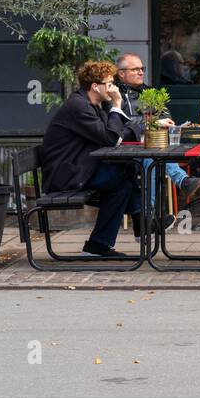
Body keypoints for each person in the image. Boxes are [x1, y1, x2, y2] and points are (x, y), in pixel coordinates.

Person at [40, 60, 144, 258]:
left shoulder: (92, 104)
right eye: (109, 83)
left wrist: (127, 124)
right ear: (95, 86)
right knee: (123, 173)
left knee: (124, 178)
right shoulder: (79, 106)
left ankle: (100, 244)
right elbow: (112, 138)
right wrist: (116, 104)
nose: (113, 88)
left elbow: (117, 133)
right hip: (66, 176)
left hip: (80, 167)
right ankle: (140, 219)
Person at [115, 53, 200, 204]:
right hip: (125, 148)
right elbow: (122, 123)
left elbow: (165, 114)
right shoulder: (114, 95)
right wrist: (153, 123)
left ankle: (152, 215)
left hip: (148, 146)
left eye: (142, 68)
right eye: (135, 69)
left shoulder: (149, 92)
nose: (141, 72)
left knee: (153, 156)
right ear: (121, 73)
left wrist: (160, 121)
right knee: (153, 155)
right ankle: (181, 182)